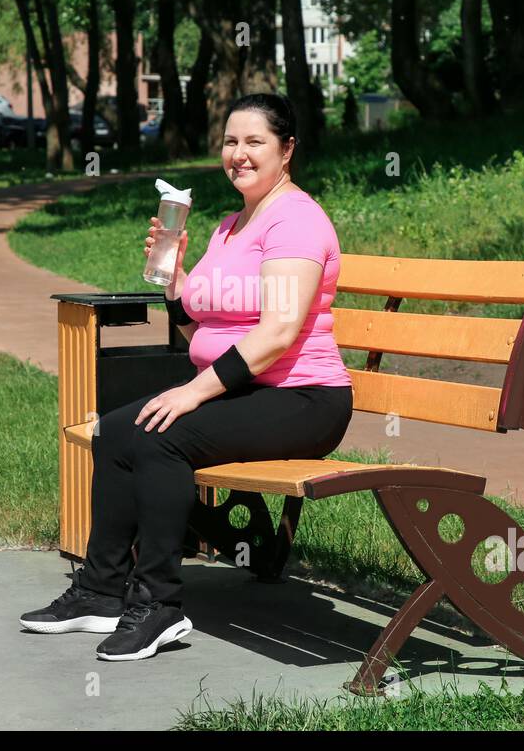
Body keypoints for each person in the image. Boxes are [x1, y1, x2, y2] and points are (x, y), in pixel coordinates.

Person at [20, 92, 354, 662]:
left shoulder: (295, 221)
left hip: (304, 398)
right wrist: (173, 279)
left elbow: (276, 334)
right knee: (117, 430)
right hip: (248, 390)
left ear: (287, 150)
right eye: (230, 142)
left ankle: (160, 607)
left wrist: (194, 390)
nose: (239, 154)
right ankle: (101, 590)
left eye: (255, 143)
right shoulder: (231, 224)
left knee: (160, 436)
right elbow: (196, 317)